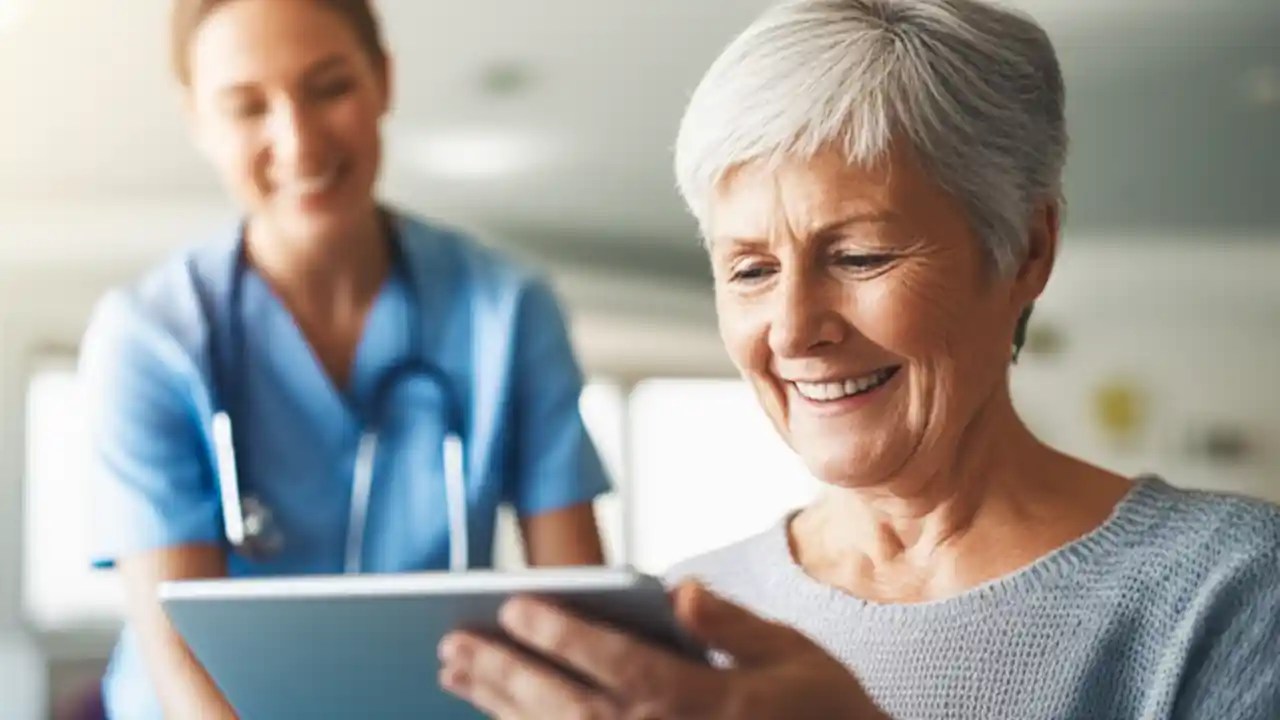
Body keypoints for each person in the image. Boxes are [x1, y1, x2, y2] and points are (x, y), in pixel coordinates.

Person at [437, 0, 1280, 717]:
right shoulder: (685, 624)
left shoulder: (1232, 591)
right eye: (752, 270)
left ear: (1025, 250)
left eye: (861, 257)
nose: (795, 330)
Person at [79, 1, 611, 717]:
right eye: (245, 107)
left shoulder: (506, 312)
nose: (297, 143)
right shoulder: (151, 338)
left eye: (329, 88)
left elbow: (578, 614)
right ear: (198, 120)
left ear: (383, 80)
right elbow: (180, 655)